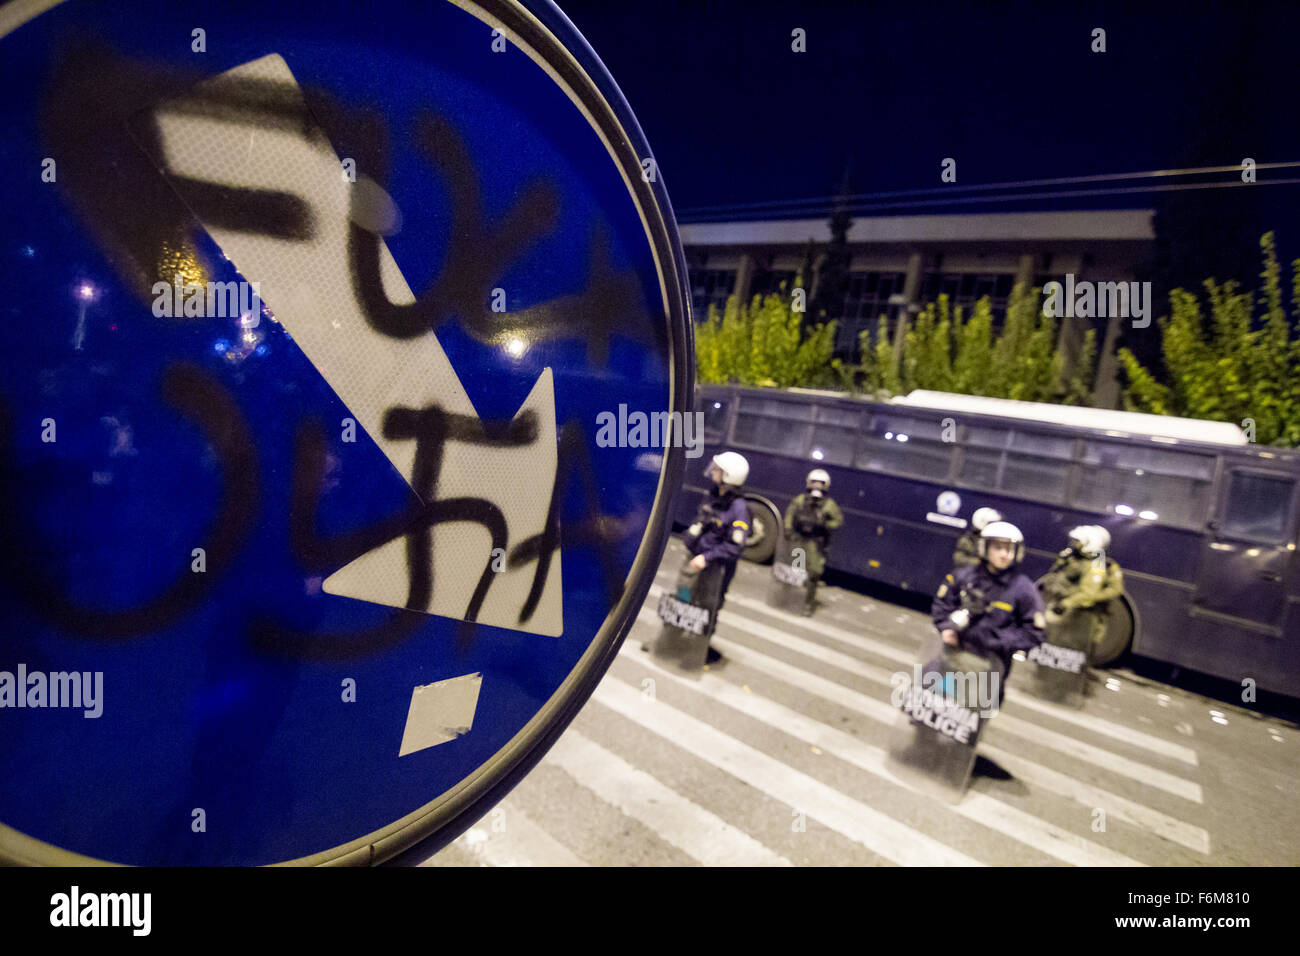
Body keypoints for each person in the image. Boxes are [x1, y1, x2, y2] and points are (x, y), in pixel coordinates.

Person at [931, 520, 1045, 708]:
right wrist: (945, 628)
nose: (1004, 554)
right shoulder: (964, 577)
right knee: (931, 708)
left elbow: (1034, 633)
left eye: (1009, 549)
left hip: (989, 669)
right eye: (998, 547)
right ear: (985, 547)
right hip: (953, 658)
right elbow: (942, 605)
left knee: (971, 721)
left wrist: (997, 642)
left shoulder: (1023, 589)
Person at [683, 451, 751, 638]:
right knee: (683, 597)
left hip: (714, 568)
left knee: (707, 606)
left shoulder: (739, 509)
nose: (713, 471)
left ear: (729, 476)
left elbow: (735, 546)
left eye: (718, 469)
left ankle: (696, 649)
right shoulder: (712, 496)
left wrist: (707, 557)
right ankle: (671, 640)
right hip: (695, 559)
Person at [1039, 524, 1125, 652]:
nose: (1073, 544)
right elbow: (1056, 575)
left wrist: (1066, 603)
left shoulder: (1098, 561)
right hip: (1062, 609)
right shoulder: (1075, 557)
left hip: (1078, 616)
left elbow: (1089, 592)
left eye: (1077, 542)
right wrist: (1062, 560)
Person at [783, 468, 844, 615]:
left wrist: (825, 524)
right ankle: (790, 599)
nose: (816, 486)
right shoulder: (800, 500)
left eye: (820, 483)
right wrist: (788, 529)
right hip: (800, 539)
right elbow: (790, 513)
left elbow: (838, 521)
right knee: (795, 571)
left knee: (814, 574)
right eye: (814, 482)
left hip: (814, 544)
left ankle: (807, 604)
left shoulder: (829, 505)